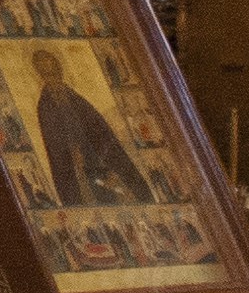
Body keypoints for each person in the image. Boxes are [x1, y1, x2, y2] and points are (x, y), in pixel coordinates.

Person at [25, 46, 156, 207]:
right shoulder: (45, 105)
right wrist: (72, 150)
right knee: (95, 193)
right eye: (43, 64)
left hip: (94, 150)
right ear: (40, 72)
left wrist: (100, 146)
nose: (48, 65)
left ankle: (142, 197)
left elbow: (96, 124)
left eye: (51, 61)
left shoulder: (72, 95)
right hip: (76, 160)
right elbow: (54, 142)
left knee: (115, 183)